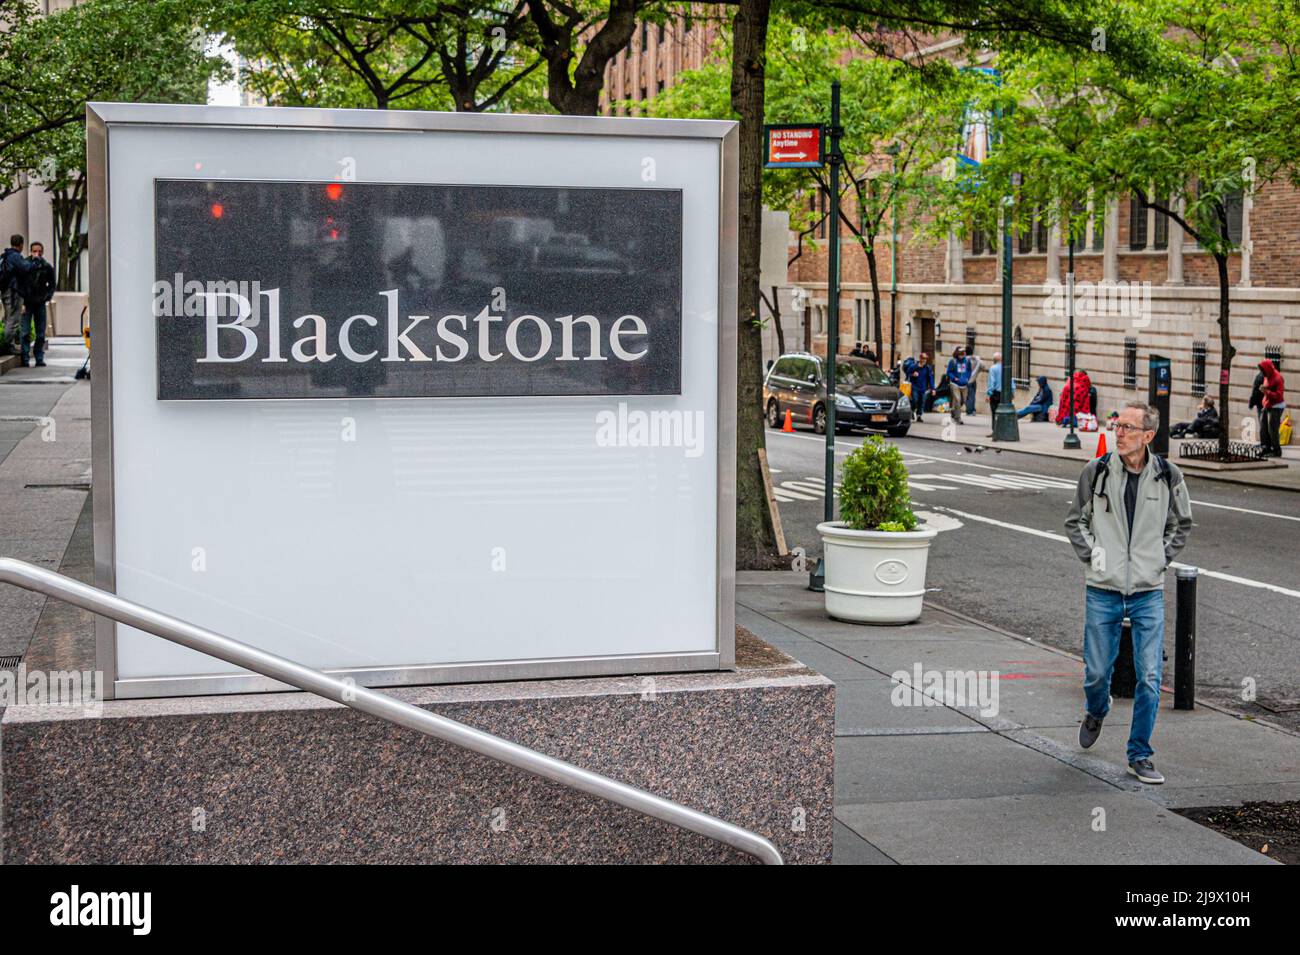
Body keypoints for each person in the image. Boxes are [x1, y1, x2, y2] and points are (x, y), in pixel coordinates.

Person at [1065, 402, 1194, 785]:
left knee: (1149, 676)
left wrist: (1159, 559)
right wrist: (1095, 557)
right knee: (1097, 672)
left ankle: (1140, 753)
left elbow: (1182, 524)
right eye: (1117, 425)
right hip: (1103, 588)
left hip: (1147, 590)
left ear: (1148, 436)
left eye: (1127, 427)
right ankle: (1097, 707)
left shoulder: (1168, 476)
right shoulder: (1097, 471)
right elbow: (1075, 521)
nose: (1119, 432)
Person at [17, 241, 54, 368]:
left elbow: (52, 284)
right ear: (30, 251)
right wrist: (21, 302)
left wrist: (47, 296)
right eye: (34, 251)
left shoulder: (46, 266)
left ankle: (39, 357)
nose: (37, 253)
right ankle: (25, 358)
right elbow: (19, 284)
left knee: (40, 333)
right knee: (25, 332)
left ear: (42, 252)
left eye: (39, 251)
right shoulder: (25, 265)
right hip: (27, 303)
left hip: (40, 302)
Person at [0, 234, 29, 356]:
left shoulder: (4, 256)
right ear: (21, 244)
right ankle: (7, 345)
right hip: (14, 292)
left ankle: (9, 344)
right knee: (13, 319)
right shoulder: (15, 257)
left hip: (5, 291)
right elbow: (25, 269)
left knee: (8, 318)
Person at [1258, 359, 1286, 458]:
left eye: (1263, 370)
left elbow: (1279, 395)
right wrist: (1264, 390)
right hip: (1267, 404)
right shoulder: (1267, 376)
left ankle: (1276, 451)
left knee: (1272, 429)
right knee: (1263, 428)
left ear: (1267, 369)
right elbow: (1267, 389)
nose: (1261, 372)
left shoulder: (1278, 378)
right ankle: (1266, 448)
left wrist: (1267, 392)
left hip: (1276, 406)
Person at [946, 346, 973, 424]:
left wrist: (967, 378)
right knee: (957, 400)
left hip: (964, 384)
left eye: (963, 353)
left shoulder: (967, 361)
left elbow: (969, 370)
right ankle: (958, 418)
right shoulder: (953, 361)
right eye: (961, 354)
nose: (962, 355)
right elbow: (949, 372)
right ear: (957, 354)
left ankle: (953, 412)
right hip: (955, 384)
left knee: (963, 401)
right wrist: (954, 378)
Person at [907, 352, 935, 423]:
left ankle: (919, 416)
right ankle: (912, 410)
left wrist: (933, 389)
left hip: (923, 388)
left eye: (926, 359)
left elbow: (930, 378)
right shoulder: (914, 366)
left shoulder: (927, 368)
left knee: (921, 401)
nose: (924, 360)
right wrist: (913, 374)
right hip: (914, 387)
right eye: (923, 358)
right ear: (920, 358)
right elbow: (908, 374)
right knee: (915, 400)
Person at [965, 351, 983, 417]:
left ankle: (970, 411)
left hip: (968, 381)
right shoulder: (976, 360)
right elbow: (983, 367)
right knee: (972, 396)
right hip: (973, 380)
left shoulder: (965, 360)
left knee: (969, 396)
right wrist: (978, 359)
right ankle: (972, 410)